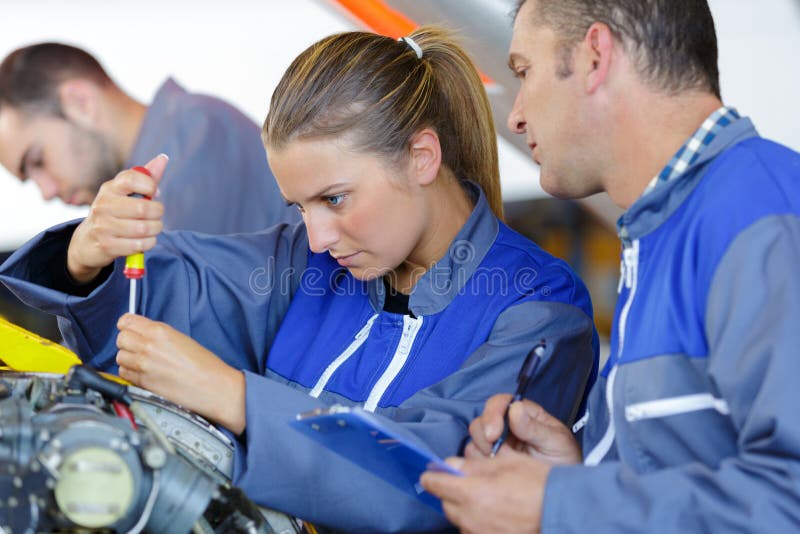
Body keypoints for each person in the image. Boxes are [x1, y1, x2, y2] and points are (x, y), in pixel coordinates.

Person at [0, 28, 599, 531]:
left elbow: (439, 477)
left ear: (422, 157)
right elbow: (172, 286)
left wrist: (236, 397)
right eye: (299, 207)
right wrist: (86, 255)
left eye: (335, 198)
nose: (316, 236)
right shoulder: (301, 265)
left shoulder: (540, 308)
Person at [420, 0, 800, 532]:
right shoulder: (666, 230)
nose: (516, 114)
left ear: (596, 56)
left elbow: (789, 502)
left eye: (524, 73)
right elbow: (689, 465)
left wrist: (557, 505)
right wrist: (576, 468)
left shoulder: (764, 217)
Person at [0, 42, 298, 233]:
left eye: (38, 161)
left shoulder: (195, 138)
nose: (46, 191)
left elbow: (168, 318)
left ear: (81, 103)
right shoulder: (186, 135)